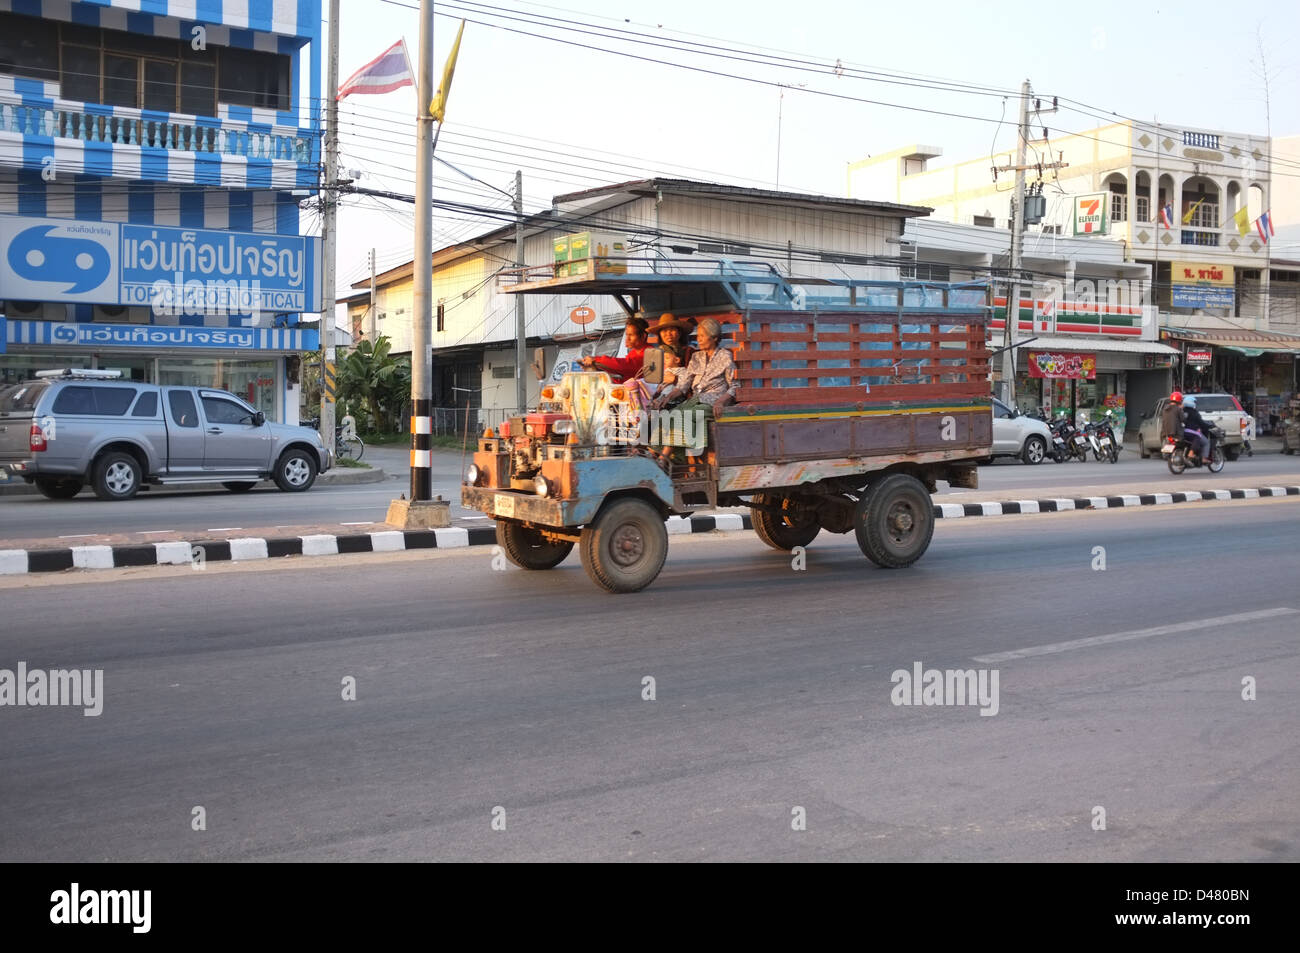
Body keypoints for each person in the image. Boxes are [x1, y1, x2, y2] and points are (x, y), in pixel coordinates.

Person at [581, 316, 647, 382]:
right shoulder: (634, 352)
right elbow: (621, 372)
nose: (627, 339)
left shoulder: (648, 353)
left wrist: (596, 359)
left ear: (643, 336)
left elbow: (624, 365)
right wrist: (597, 367)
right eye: (627, 335)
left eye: (631, 335)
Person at [1182, 395, 1210, 463]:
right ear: (1191, 402)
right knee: (1206, 443)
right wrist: (1208, 426)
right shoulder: (1194, 413)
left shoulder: (1182, 411)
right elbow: (1201, 422)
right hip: (1192, 431)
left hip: (1182, 432)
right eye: (1194, 402)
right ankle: (1204, 458)